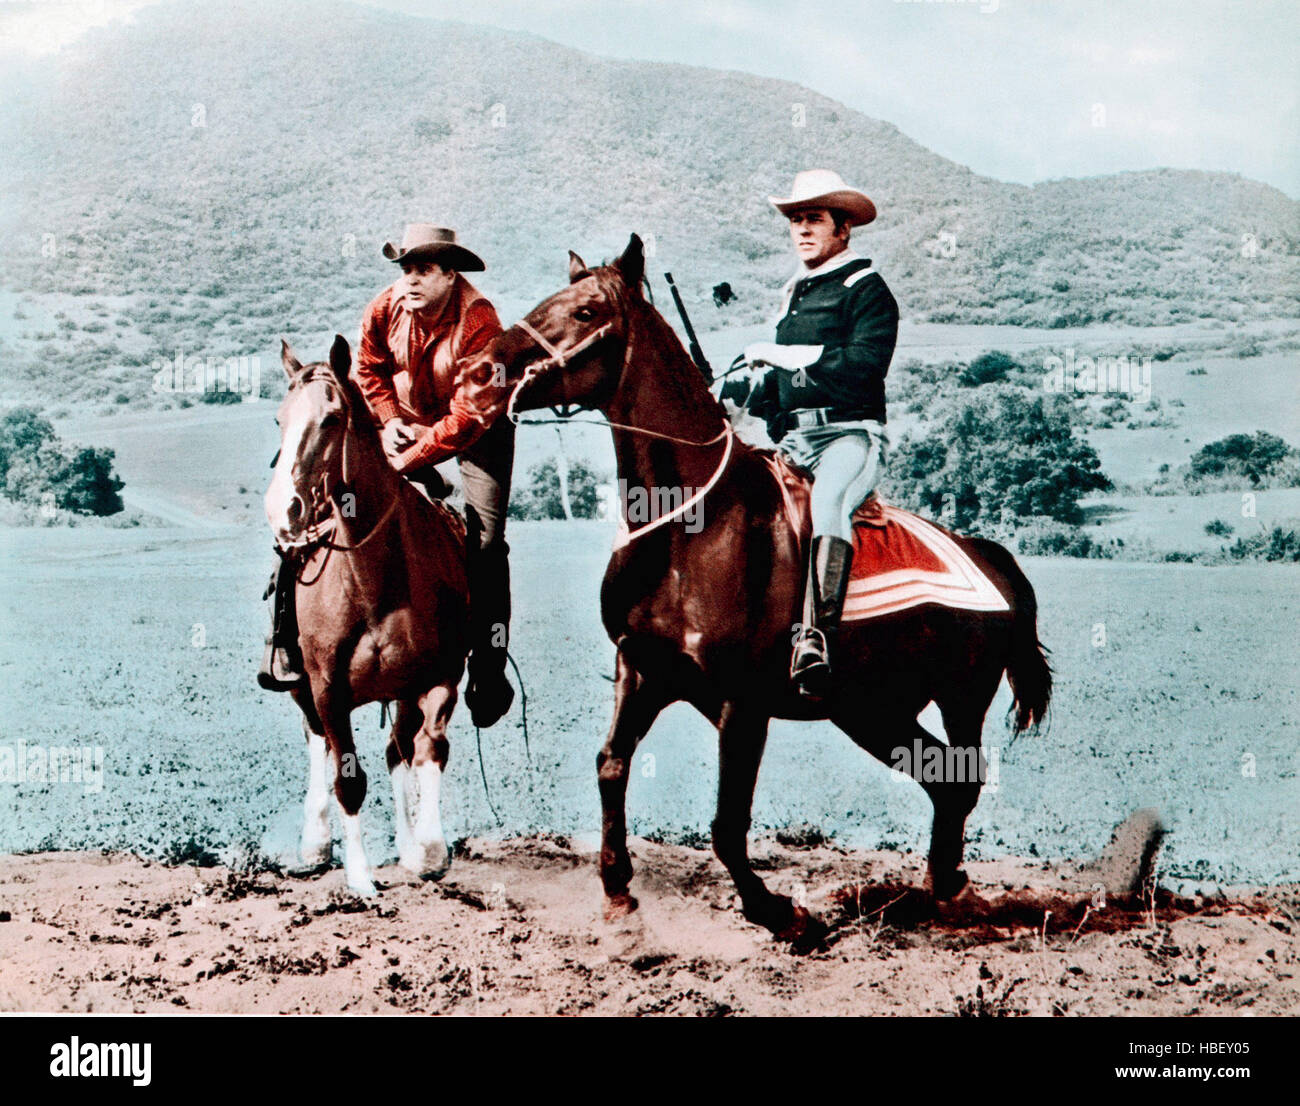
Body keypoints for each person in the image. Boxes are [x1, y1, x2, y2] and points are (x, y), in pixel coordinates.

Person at [259, 223, 516, 729]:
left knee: (486, 544)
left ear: (450, 276)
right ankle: (284, 642)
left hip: (477, 430)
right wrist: (393, 421)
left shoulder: (481, 322)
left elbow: (465, 419)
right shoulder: (383, 307)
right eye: (405, 270)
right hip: (401, 420)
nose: (411, 281)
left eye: (423, 270)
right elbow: (370, 370)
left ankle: (489, 666)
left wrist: (406, 459)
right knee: (321, 504)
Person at [723, 169, 899, 701]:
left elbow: (863, 366)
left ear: (843, 229)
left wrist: (777, 354)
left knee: (828, 504)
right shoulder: (793, 295)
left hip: (849, 437)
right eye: (796, 220)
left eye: (814, 219)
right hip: (793, 443)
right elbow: (778, 386)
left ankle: (815, 638)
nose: (802, 229)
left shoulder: (867, 291)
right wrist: (742, 390)